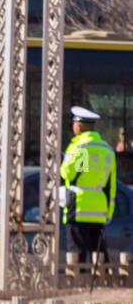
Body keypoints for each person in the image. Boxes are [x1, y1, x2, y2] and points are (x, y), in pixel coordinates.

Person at [60, 106, 117, 264]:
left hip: (78, 207)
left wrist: (65, 162)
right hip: (98, 210)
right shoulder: (107, 150)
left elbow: (68, 174)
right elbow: (111, 186)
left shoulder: (80, 148)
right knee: (97, 253)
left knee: (78, 255)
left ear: (79, 126)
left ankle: (80, 287)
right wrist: (109, 213)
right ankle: (100, 286)